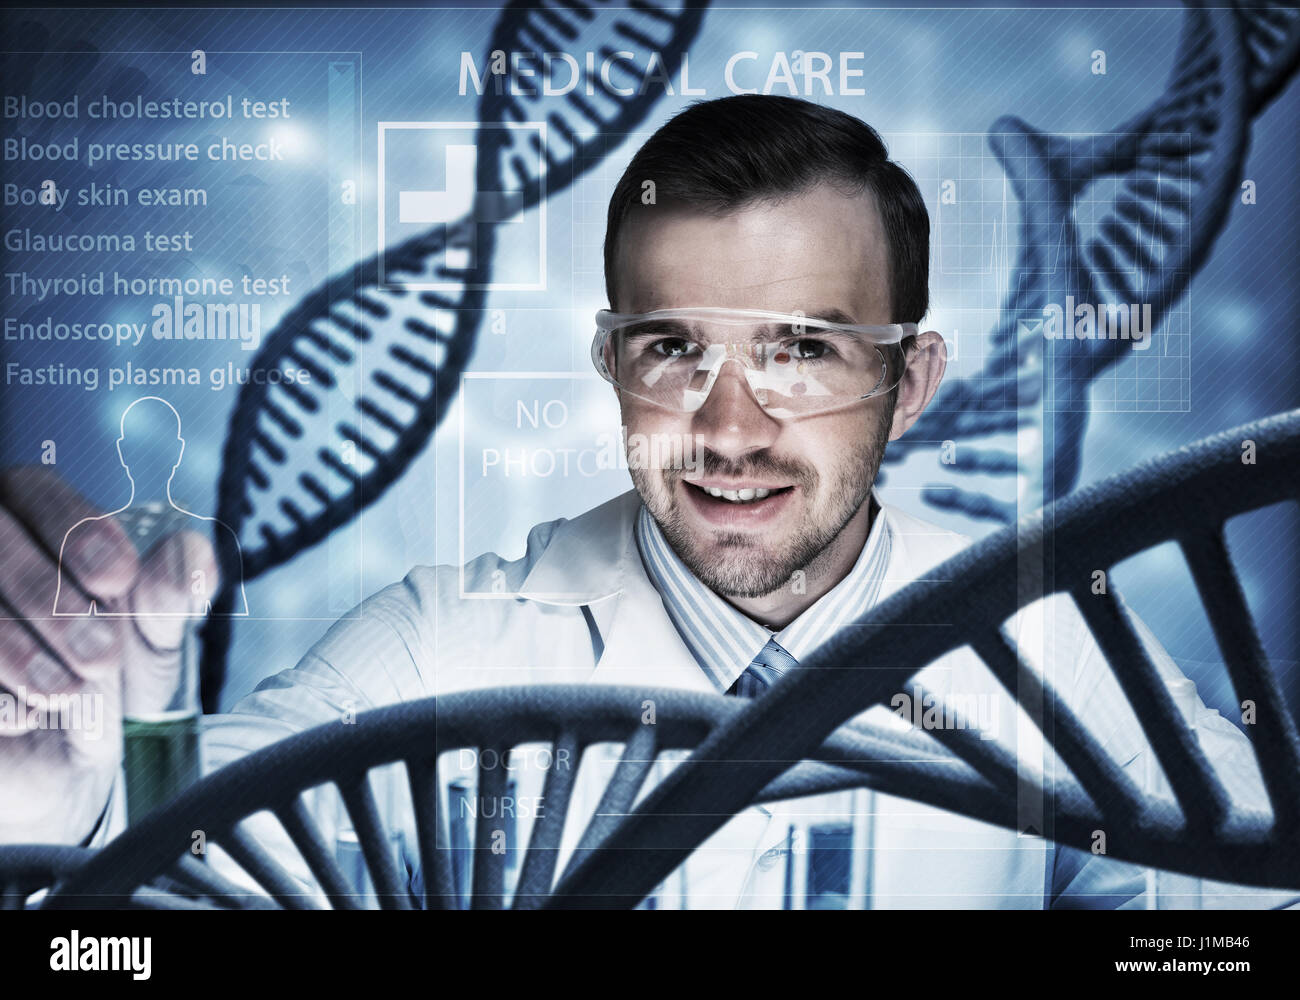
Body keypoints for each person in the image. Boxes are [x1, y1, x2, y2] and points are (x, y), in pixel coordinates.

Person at [0, 96, 1287, 908]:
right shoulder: (444, 643)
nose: (730, 430)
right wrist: (66, 826)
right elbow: (147, 904)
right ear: (612, 365)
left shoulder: (1054, 646)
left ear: (908, 383)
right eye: (674, 351)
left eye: (802, 351)